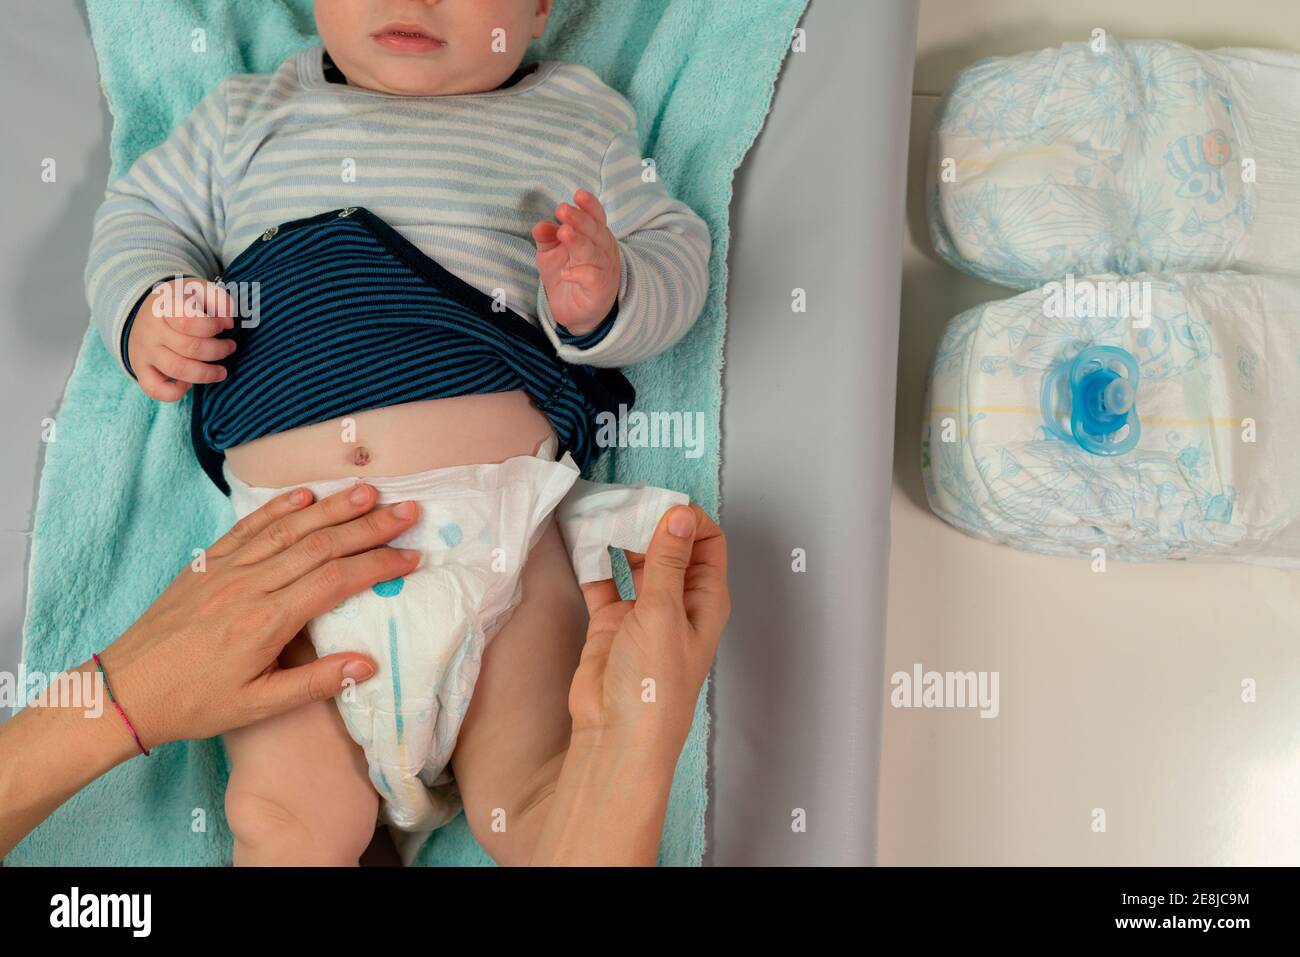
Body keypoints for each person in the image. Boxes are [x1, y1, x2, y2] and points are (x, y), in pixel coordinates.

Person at [0, 481, 728, 866]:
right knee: (288, 826)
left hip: (494, 532)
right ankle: (600, 785)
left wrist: (600, 292)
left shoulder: (543, 197)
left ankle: (584, 793)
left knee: (535, 796)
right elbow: (150, 216)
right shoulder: (223, 191)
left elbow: (659, 255)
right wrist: (150, 306)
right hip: (295, 589)